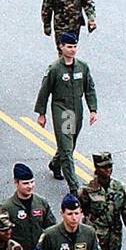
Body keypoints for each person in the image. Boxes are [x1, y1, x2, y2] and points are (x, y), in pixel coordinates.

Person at [34, 34, 97, 193]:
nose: (73, 50)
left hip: (78, 109)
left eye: (74, 46)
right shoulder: (55, 69)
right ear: (61, 47)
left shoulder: (82, 67)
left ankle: (56, 164)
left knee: (70, 143)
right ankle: (74, 187)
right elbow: (45, 91)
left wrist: (93, 109)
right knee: (67, 149)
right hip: (63, 111)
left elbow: (89, 88)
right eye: (69, 47)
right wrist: (41, 114)